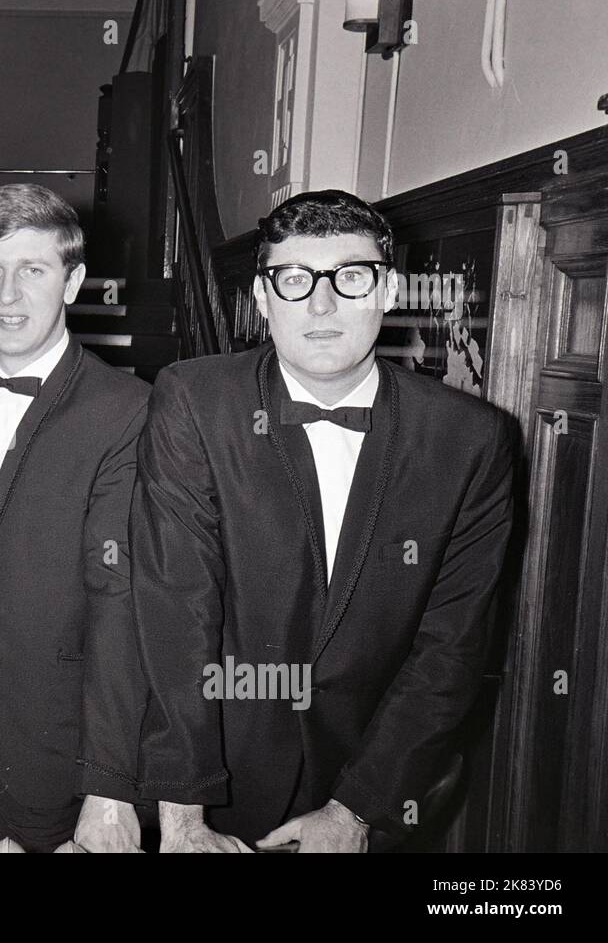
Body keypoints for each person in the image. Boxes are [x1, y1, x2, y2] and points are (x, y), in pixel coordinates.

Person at [129, 189, 514, 852]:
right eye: (296, 279)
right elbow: (175, 614)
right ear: (262, 296)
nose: (322, 304)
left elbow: (452, 647)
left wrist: (354, 813)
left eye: (351, 277)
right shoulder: (193, 401)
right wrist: (185, 818)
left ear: (389, 289)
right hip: (217, 777)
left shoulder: (472, 438)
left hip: (377, 783)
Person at [0, 184, 151, 852]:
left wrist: (109, 784)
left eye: (33, 270)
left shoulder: (128, 410)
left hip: (53, 745)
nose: (7, 295)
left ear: (74, 281)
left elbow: (123, 603)